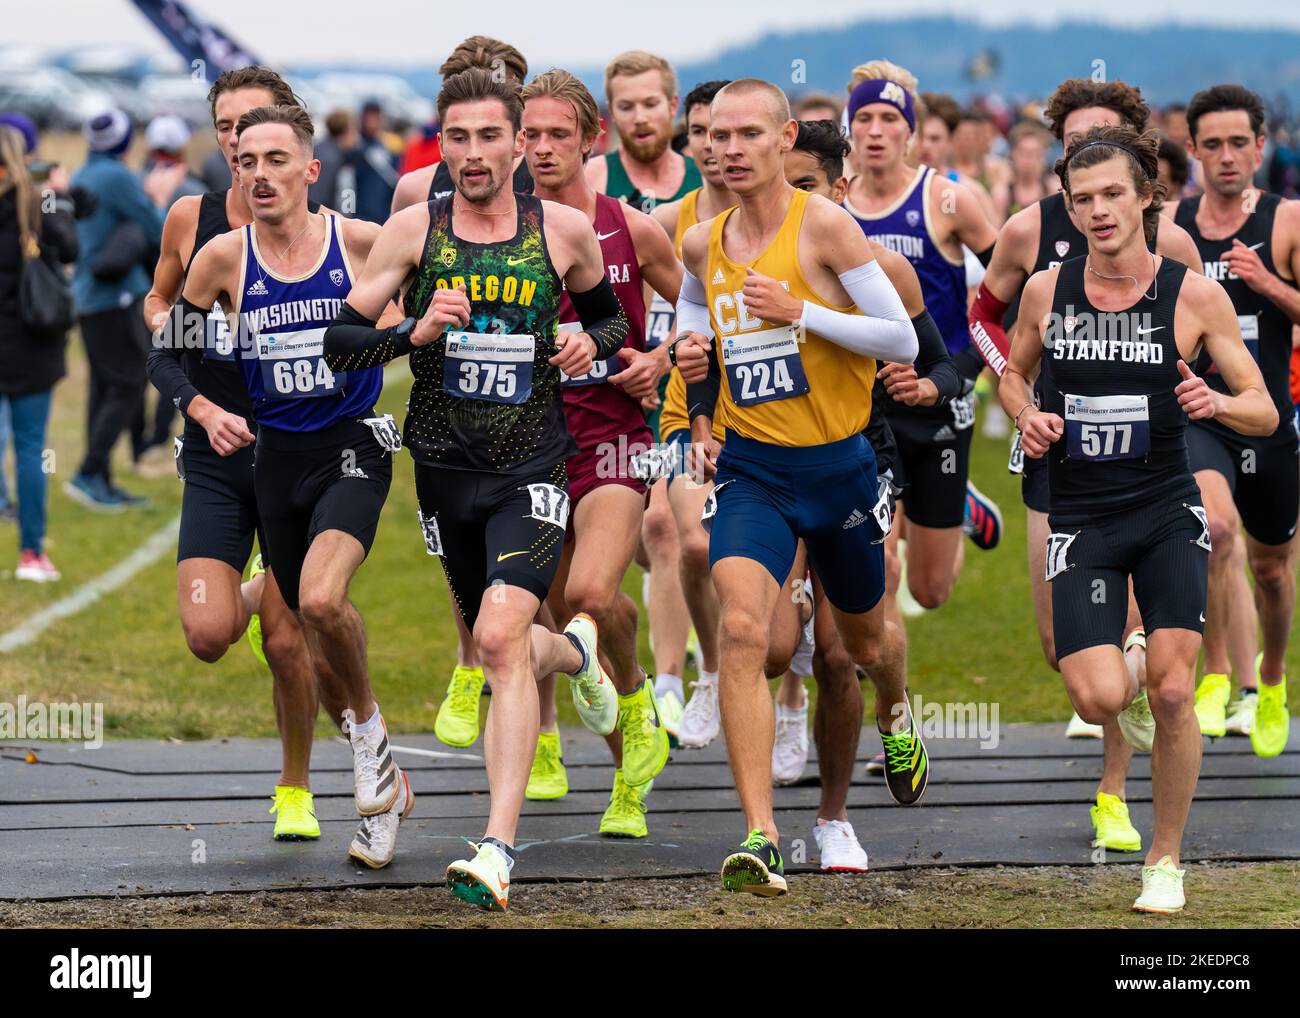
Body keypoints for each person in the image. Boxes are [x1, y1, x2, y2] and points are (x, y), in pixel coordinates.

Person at [322, 67, 634, 910]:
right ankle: (575, 653)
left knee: (498, 639)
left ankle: (496, 846)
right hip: (443, 472)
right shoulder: (413, 234)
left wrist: (587, 347)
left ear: (520, 144)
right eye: (456, 138)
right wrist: (411, 331)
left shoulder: (563, 230)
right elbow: (339, 341)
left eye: (490, 137)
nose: (473, 154)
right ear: (442, 143)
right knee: (509, 641)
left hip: (532, 466)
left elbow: (611, 320)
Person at [1000, 124, 1276, 913]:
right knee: (1093, 697)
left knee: (1175, 692)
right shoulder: (1048, 291)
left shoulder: (1192, 293)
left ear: (1147, 196)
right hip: (1080, 513)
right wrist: (1026, 416)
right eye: (1081, 199)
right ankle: (1130, 647)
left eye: (1112, 193)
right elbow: (1013, 376)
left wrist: (1214, 401)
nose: (1096, 211)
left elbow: (1261, 408)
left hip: (1164, 508)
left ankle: (1165, 860)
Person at [674, 79, 921, 896]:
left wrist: (801, 311)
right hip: (753, 469)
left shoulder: (824, 225)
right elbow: (690, 307)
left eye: (749, 134)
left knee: (863, 647)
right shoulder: (700, 240)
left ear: (785, 139)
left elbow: (901, 338)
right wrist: (688, 347)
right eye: (716, 136)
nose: (729, 149)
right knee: (746, 632)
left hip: (840, 467)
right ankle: (762, 835)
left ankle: (890, 722)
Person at [967, 76, 1207, 854]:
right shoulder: (1028, 233)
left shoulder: (1170, 246)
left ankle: (1114, 791)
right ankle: (1123, 704)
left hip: (1153, 470)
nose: (1092, 188)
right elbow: (983, 318)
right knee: (1067, 648)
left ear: (1139, 170)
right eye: (1072, 150)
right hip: (1061, 465)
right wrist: (1022, 397)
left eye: (1102, 147)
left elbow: (1197, 350)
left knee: (1151, 640)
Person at [176, 103, 409, 867]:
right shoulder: (219, 258)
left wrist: (413, 330)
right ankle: (381, 769)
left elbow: (417, 328)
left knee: (317, 599)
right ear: (234, 171)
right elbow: (163, 353)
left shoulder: (363, 241)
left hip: (352, 444)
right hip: (274, 457)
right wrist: (203, 407)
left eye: (277, 159)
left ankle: (369, 747)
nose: (260, 173)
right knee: (307, 638)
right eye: (247, 161)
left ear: (311, 170)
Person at [145, 66, 343, 845]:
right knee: (208, 635)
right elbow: (161, 303)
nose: (239, 146)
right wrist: (191, 377)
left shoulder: (316, 231)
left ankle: (294, 788)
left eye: (254, 131)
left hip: (292, 454)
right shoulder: (191, 220)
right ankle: (259, 588)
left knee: (291, 642)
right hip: (214, 450)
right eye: (228, 129)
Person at [519, 69, 683, 833]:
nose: (543, 148)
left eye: (560, 134)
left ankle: (636, 730)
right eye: (532, 134)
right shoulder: (497, 227)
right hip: (530, 443)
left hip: (615, 434)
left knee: (587, 595)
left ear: (594, 140)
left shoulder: (632, 227)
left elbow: (700, 305)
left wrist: (668, 354)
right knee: (579, 608)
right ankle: (635, 740)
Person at [389, 35, 532, 738]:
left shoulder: (545, 188)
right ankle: (468, 657)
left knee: (545, 582)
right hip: (447, 409)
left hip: (536, 410)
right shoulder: (418, 193)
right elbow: (387, 296)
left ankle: (544, 722)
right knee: (461, 551)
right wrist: (415, 329)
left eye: (501, 90)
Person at [841, 62, 1002, 615]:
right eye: (864, 118)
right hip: (861, 402)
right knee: (876, 566)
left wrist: (966, 368)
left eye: (890, 118)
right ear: (850, 127)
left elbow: (1009, 286)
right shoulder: (830, 206)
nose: (876, 130)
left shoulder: (944, 200)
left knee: (929, 592)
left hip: (938, 396)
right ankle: (889, 696)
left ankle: (961, 502)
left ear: (911, 130)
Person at [1172, 84, 1299, 757]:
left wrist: (1267, 282)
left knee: (1272, 570)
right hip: (1201, 413)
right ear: (1192, 150)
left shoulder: (1286, 222)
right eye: (1212, 144)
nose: (1226, 156)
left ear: (1259, 147)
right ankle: (1218, 674)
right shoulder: (1171, 225)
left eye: (1238, 143)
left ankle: (1273, 683)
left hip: (1267, 418)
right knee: (1214, 529)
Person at [649, 79, 735, 750]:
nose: (711, 146)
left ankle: (790, 696)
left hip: (776, 415)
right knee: (693, 542)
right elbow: (661, 316)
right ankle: (707, 671)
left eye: (724, 132)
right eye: (700, 132)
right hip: (687, 410)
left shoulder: (790, 218)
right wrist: (655, 356)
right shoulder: (673, 222)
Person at [67, 108, 186, 511]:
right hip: (112, 298)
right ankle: (89, 471)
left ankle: (98, 477)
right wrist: (156, 198)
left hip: (90, 297)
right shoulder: (118, 176)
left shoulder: (84, 172)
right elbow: (156, 230)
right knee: (129, 382)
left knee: (105, 386)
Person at [0, 122, 78, 582]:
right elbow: (70, 248)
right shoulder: (37, 203)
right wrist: (59, 195)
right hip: (31, 345)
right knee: (31, 449)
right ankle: (31, 553)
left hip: (19, 343)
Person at [351, 100, 399, 224]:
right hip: (359, 218)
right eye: (369, 117)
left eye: (376, 117)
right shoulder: (354, 148)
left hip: (383, 217)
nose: (373, 122)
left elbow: (393, 182)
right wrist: (347, 216)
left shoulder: (387, 148)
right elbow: (347, 184)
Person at [309, 109, 356, 212]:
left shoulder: (322, 149)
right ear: (345, 132)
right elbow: (316, 198)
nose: (356, 136)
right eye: (353, 130)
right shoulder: (330, 159)